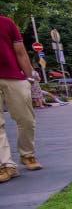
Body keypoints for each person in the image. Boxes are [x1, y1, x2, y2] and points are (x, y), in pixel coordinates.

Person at [0, 15, 42, 182]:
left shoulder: (6, 22)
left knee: (26, 119)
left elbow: (20, 52)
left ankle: (27, 155)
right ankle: (6, 165)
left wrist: (30, 77)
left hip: (13, 77)